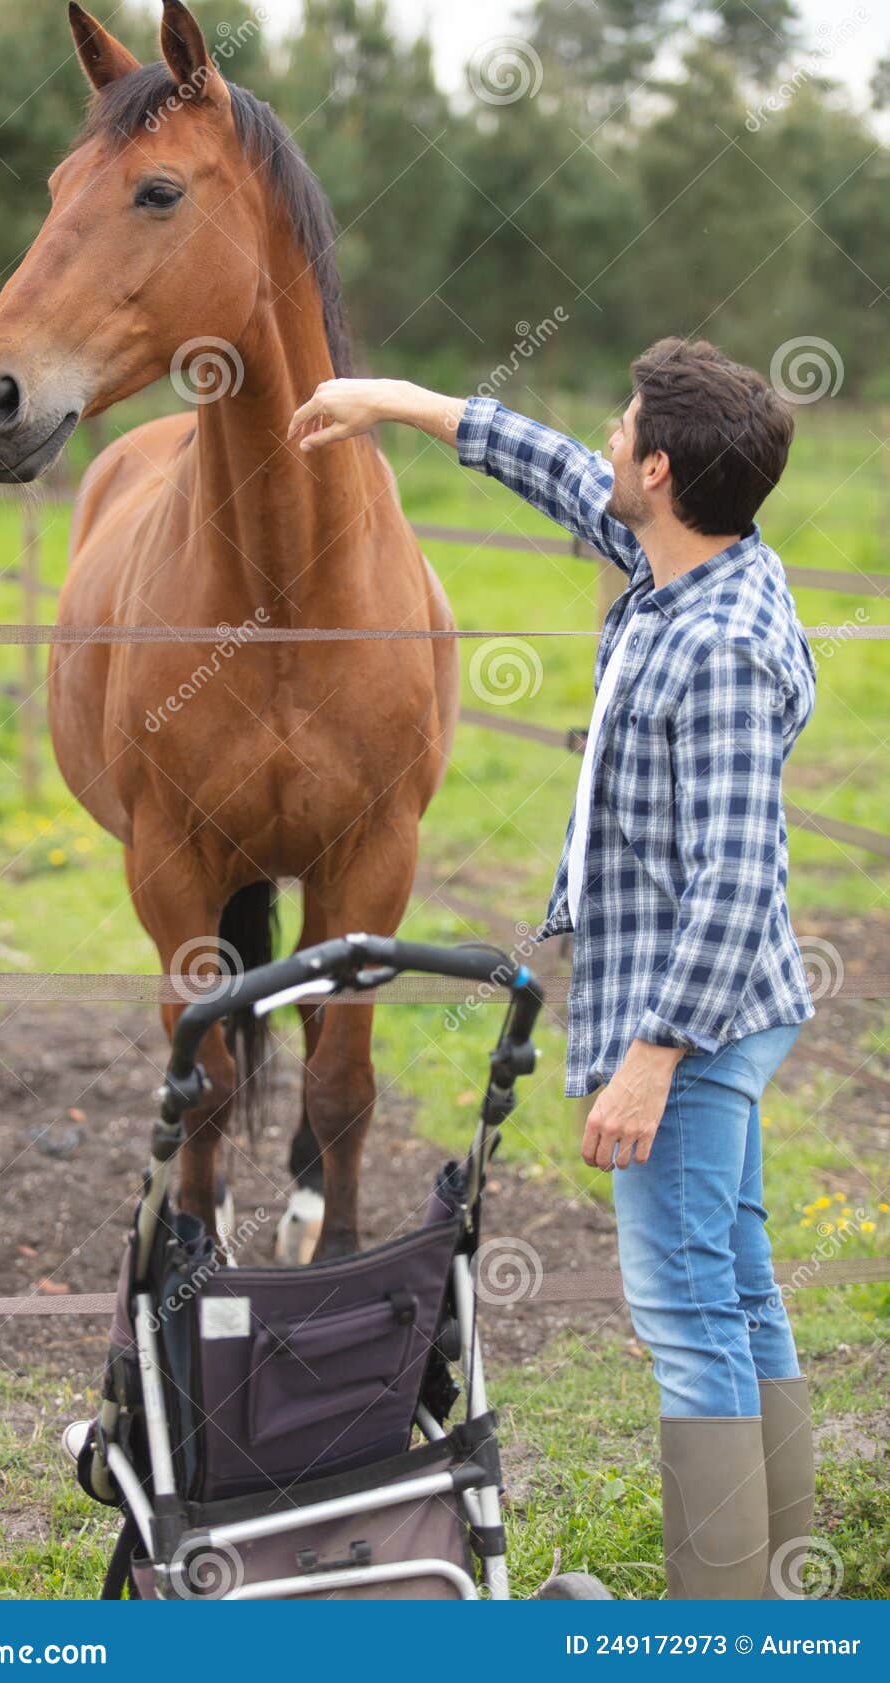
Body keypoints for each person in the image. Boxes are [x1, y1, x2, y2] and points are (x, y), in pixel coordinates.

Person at [289, 337, 818, 1600]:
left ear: (661, 467)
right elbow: (552, 471)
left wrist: (649, 1061)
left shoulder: (722, 648)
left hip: (688, 1021)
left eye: (621, 427)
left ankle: (720, 1630)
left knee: (687, 1321)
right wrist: (393, 403)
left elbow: (735, 883)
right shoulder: (682, 555)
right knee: (736, 1287)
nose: (603, 446)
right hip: (710, 1009)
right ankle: (785, 1577)